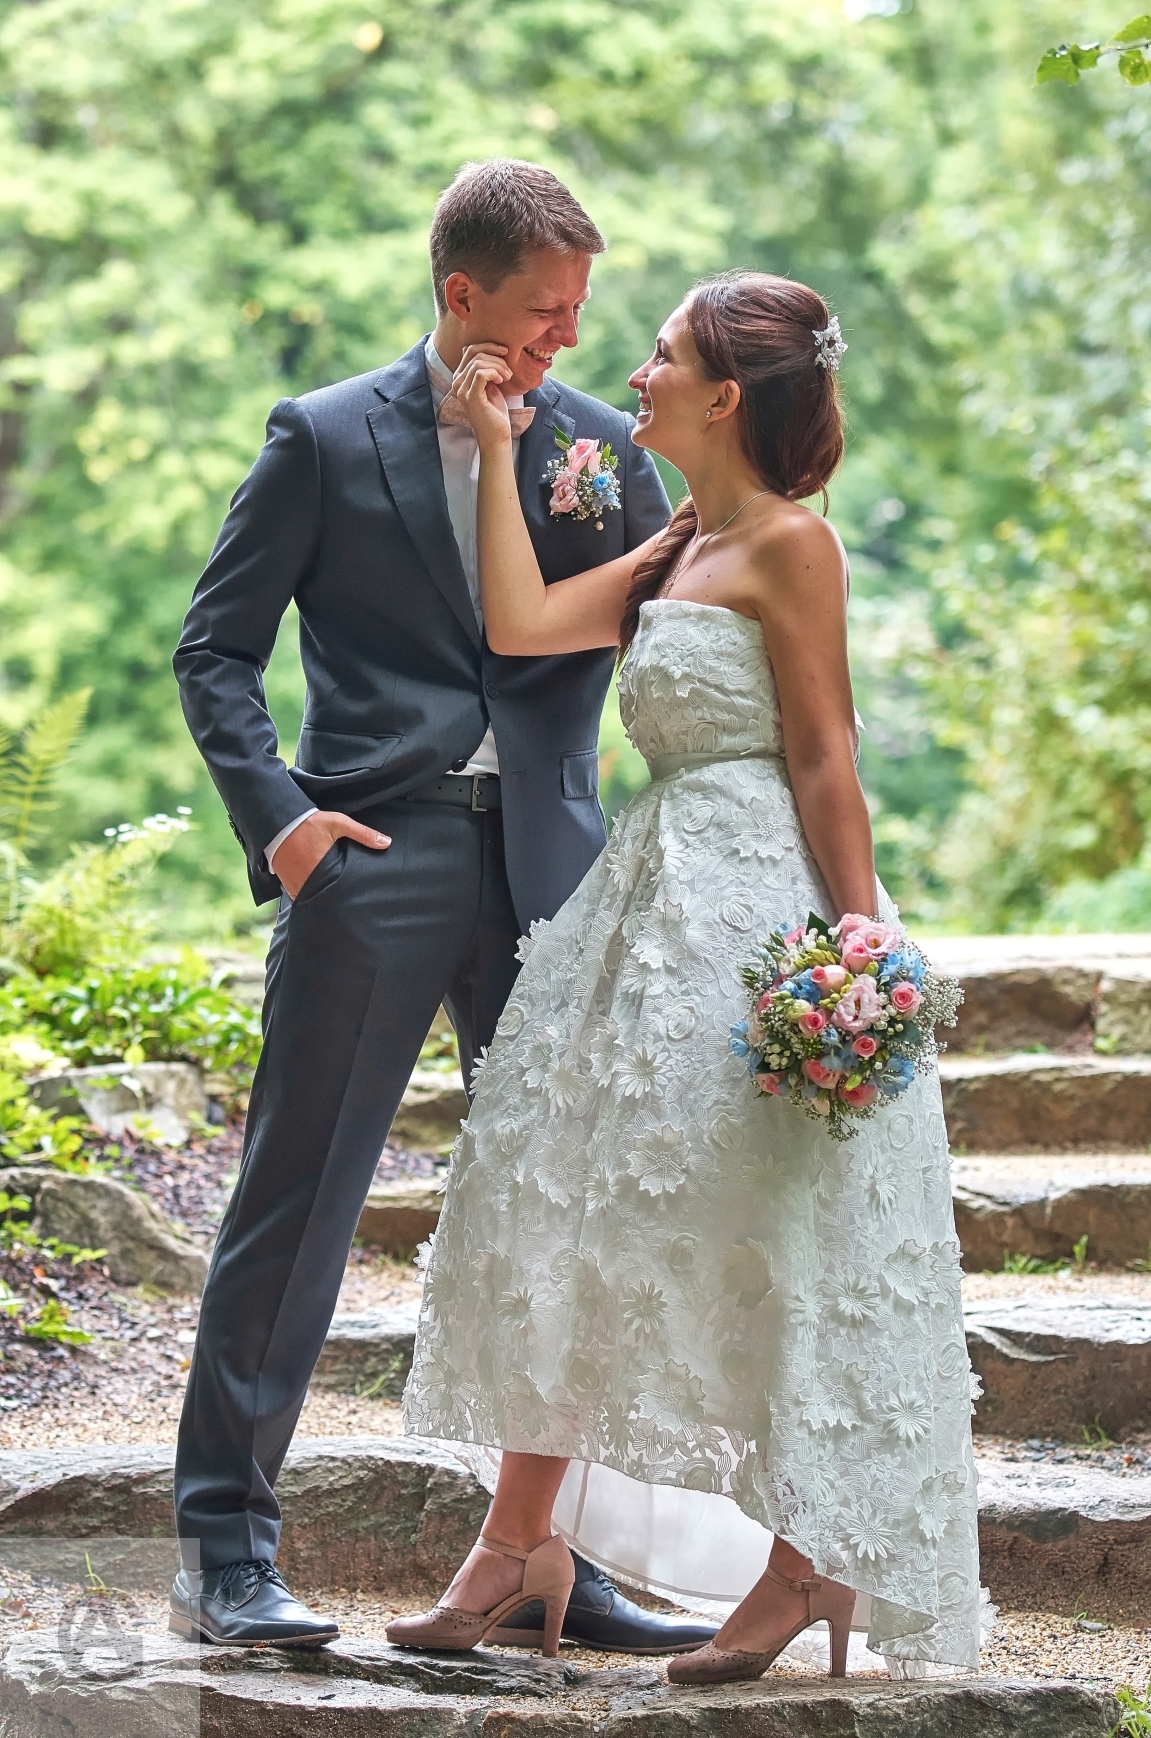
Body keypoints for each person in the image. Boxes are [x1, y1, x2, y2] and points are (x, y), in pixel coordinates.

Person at [394, 271, 985, 1678]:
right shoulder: (672, 545)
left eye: (660, 355)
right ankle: (518, 1541)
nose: (633, 374)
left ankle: (804, 1568)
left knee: (774, 1234)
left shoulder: (794, 545)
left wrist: (856, 948)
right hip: (639, 910)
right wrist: (489, 454)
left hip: (760, 917)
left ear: (726, 395)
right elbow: (520, 622)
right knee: (569, 1201)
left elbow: (826, 753)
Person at [168, 158, 716, 1656]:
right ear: (460, 292)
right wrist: (281, 825)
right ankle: (226, 1549)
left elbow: (675, 623)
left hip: (553, 871)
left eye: (581, 315)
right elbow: (213, 652)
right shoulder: (325, 438)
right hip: (372, 852)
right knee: (299, 1201)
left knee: (571, 1215)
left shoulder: (606, 447)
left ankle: (541, 1548)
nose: (561, 344)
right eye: (541, 313)